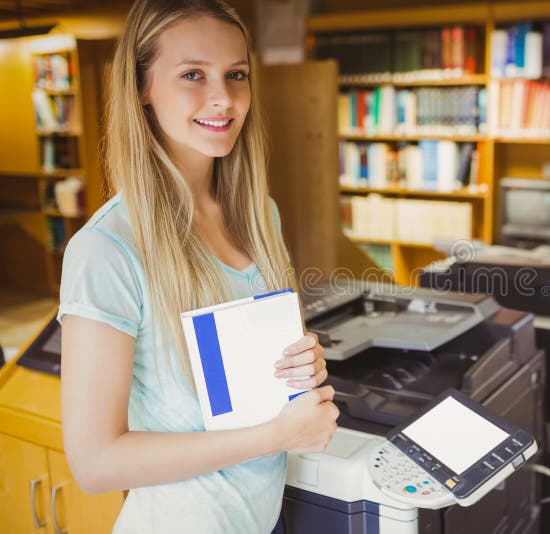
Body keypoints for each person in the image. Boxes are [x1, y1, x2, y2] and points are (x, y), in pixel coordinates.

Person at [57, 1, 339, 532]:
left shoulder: (259, 217)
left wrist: (303, 368)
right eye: (193, 74)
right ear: (141, 87)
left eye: (237, 75)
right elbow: (94, 464)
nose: (224, 98)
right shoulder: (107, 250)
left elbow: (249, 383)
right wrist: (278, 436)